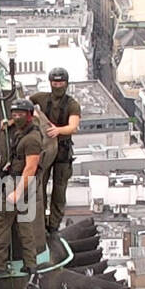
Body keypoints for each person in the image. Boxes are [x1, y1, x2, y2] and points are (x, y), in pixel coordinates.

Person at [0, 98, 46, 276]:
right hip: (21, 181)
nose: (16, 117)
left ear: (28, 115)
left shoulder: (32, 139)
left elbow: (31, 167)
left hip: (20, 184)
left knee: (1, 224)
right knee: (25, 225)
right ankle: (31, 264)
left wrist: (16, 192)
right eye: (14, 114)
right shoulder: (26, 130)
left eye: (20, 114)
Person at [29, 66, 81, 234]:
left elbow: (73, 127)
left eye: (61, 82)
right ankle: (41, 223)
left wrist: (58, 130)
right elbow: (26, 104)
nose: (58, 85)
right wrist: (35, 116)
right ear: (50, 83)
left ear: (66, 83)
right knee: (40, 188)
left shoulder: (72, 104)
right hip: (44, 150)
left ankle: (53, 226)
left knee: (59, 191)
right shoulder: (41, 98)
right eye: (55, 82)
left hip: (62, 152)